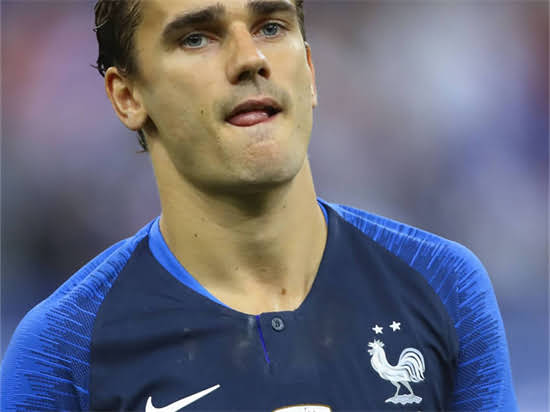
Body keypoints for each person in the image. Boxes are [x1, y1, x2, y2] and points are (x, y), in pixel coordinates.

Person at [1, 0, 518, 410]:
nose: (251, 58)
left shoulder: (443, 283)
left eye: (271, 26)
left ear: (310, 70)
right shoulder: (64, 349)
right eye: (196, 37)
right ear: (127, 96)